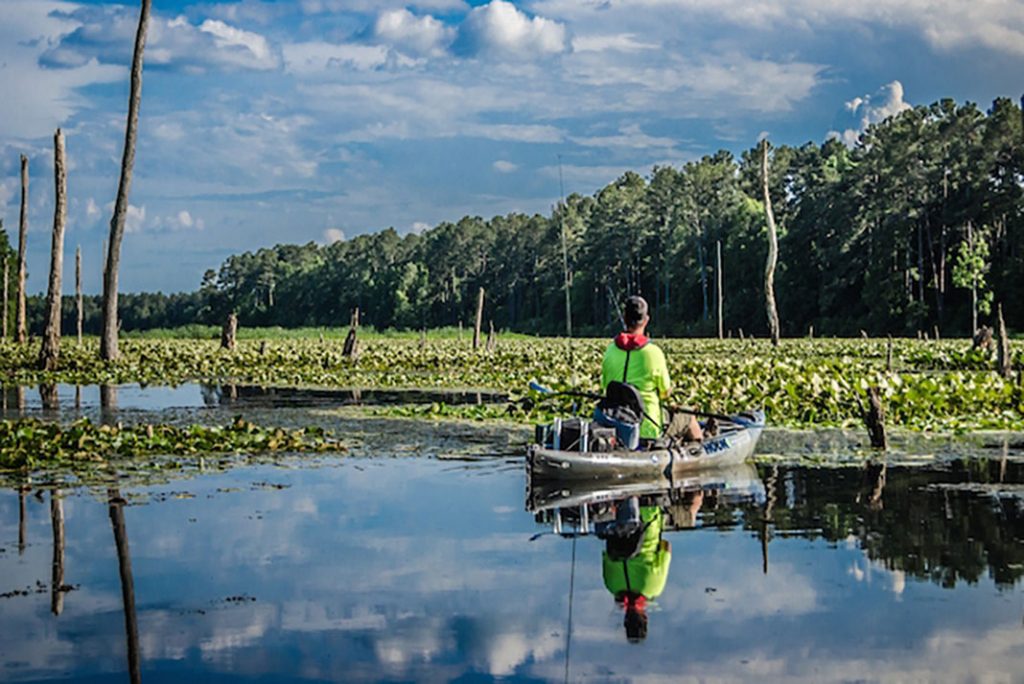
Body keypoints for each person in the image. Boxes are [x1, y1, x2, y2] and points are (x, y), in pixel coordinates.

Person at [600, 295, 701, 442]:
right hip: (648, 429)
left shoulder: (610, 350)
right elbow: (665, 392)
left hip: (615, 427)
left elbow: (606, 387)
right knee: (688, 416)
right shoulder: (653, 352)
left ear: (624, 318)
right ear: (646, 320)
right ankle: (701, 450)